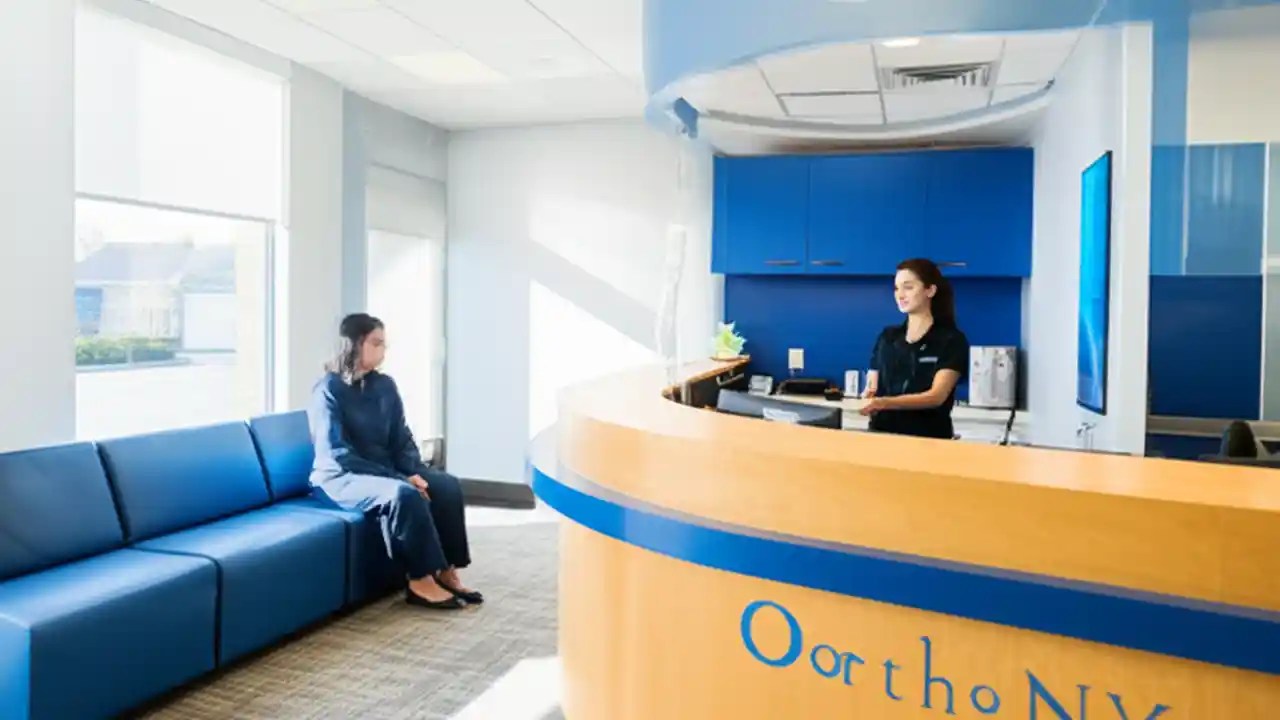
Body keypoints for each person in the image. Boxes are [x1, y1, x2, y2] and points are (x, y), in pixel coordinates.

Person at [308, 313, 481, 611]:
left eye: (384, 344)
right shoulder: (328, 390)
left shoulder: (385, 386)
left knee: (446, 485)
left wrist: (416, 470)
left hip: (382, 472)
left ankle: (445, 570)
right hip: (340, 477)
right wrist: (400, 479)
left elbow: (401, 438)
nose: (382, 351)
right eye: (376, 343)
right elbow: (337, 453)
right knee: (404, 494)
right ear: (353, 344)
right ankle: (420, 581)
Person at [859, 259, 970, 439]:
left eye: (908, 287)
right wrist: (868, 396)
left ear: (930, 290)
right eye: (896, 288)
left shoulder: (951, 340)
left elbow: (936, 396)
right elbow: (873, 385)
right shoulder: (887, 337)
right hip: (881, 437)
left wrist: (884, 403)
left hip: (928, 441)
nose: (900, 295)